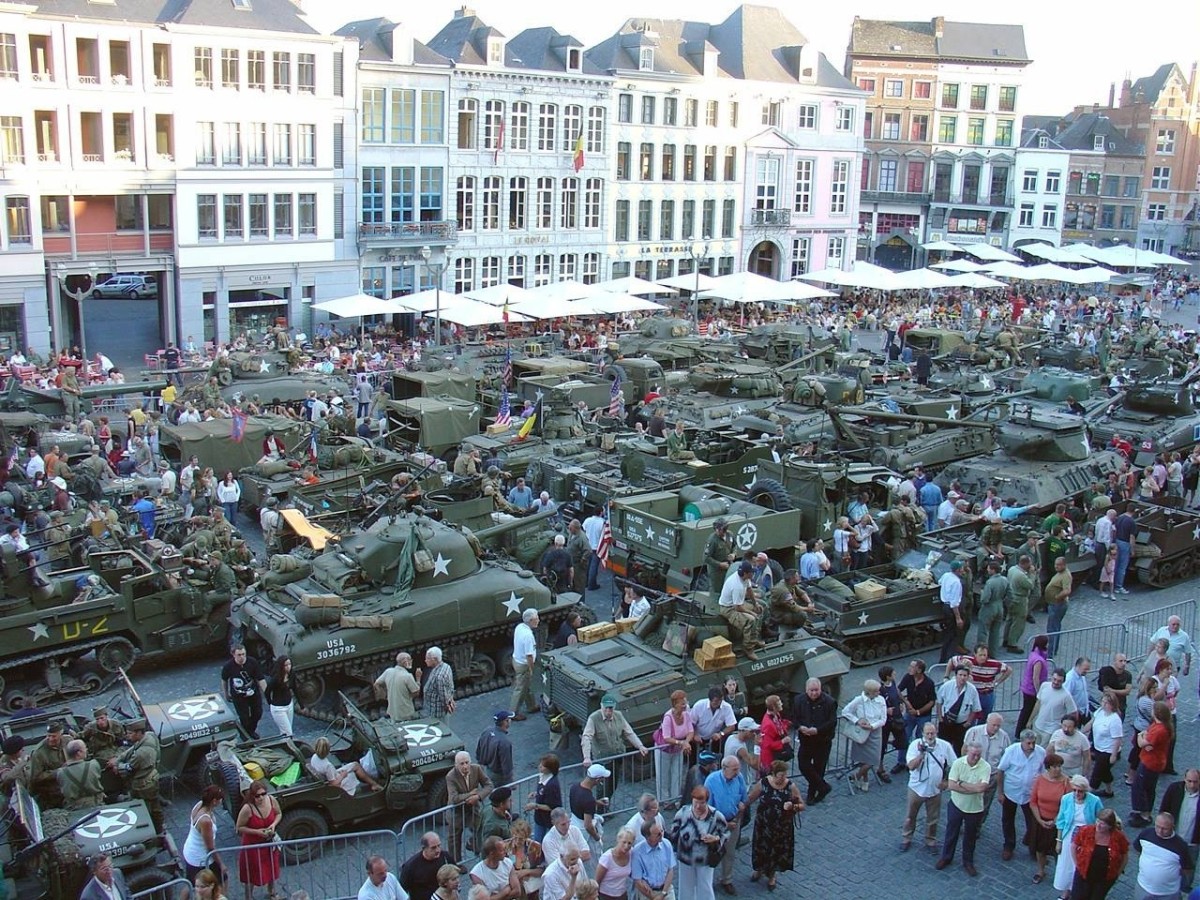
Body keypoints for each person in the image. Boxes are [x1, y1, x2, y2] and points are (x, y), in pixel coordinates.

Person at [935, 741, 991, 878]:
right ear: (967, 752)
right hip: (957, 805)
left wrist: (961, 784)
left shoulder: (986, 766)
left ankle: (968, 862)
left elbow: (981, 788)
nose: (976, 758)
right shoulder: (958, 763)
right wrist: (972, 788)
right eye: (973, 755)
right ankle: (946, 857)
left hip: (975, 809)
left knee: (970, 836)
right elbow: (951, 785)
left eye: (978, 755)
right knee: (951, 832)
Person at [745, 760, 803, 891]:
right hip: (763, 825)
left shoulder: (790, 786)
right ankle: (759, 870)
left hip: (781, 827)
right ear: (774, 774)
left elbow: (801, 805)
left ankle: (772, 875)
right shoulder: (764, 783)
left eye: (784, 775)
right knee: (761, 847)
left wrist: (793, 806)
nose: (782, 779)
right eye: (779, 776)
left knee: (776, 850)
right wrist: (741, 808)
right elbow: (750, 798)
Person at [900, 721, 953, 854]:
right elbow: (911, 766)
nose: (930, 736)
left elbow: (954, 764)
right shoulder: (915, 745)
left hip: (935, 790)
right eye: (927, 733)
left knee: (933, 818)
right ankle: (906, 838)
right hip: (916, 788)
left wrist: (947, 781)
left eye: (932, 733)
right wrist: (921, 754)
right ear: (923, 734)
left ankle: (931, 840)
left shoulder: (944, 746)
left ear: (936, 733)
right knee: (910, 816)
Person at [668, 785, 728, 900]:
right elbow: (674, 832)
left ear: (707, 801)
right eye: (695, 802)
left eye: (702, 803)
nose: (698, 806)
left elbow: (725, 833)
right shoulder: (683, 812)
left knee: (705, 887)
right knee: (685, 888)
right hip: (685, 858)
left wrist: (715, 839)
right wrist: (674, 849)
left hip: (705, 860)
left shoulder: (716, 816)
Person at [997, 729, 1047, 863]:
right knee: (1008, 820)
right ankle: (1008, 846)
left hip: (1030, 794)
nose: (1031, 746)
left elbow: (1043, 773)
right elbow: (1001, 771)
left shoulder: (1041, 752)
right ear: (1022, 742)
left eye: (1033, 743)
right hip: (1011, 792)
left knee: (1033, 823)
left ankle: (1033, 848)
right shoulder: (1011, 751)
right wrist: (1000, 792)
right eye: (1029, 743)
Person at [1054, 775, 1104, 898]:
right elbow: (1060, 821)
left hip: (1087, 837)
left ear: (1085, 791)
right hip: (1069, 835)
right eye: (1074, 790)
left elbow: (1101, 817)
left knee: (1081, 864)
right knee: (1066, 864)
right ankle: (1065, 892)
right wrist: (1059, 841)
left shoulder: (1094, 801)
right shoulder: (1066, 799)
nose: (1077, 793)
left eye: (1080, 791)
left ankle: (1078, 891)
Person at [703, 756, 747, 895]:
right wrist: (725, 824)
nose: (737, 771)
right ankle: (706, 881)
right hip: (716, 824)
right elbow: (707, 808)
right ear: (724, 768)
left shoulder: (739, 778)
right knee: (711, 853)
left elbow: (743, 800)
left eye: (738, 768)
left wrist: (740, 812)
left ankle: (726, 880)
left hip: (734, 821)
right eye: (734, 769)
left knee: (730, 852)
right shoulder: (711, 781)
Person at [1070, 806, 1130, 900]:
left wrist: (1117, 873)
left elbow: (1124, 855)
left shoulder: (1119, 837)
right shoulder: (1086, 830)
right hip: (1083, 873)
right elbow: (1074, 845)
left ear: (1110, 826)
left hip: (1104, 878)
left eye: (1102, 824)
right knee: (1077, 897)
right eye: (1097, 821)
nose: (1098, 825)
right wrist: (1077, 864)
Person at [1130, 701, 1174, 829]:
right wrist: (1144, 738)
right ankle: (1145, 812)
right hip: (1152, 760)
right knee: (1148, 787)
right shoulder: (1160, 726)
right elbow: (1147, 742)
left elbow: (1142, 743)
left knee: (1141, 787)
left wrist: (1140, 736)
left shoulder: (1159, 730)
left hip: (1151, 762)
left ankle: (1144, 814)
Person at [793, 677, 836, 804]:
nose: (813, 693)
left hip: (823, 741)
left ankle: (812, 794)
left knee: (819, 768)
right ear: (806, 690)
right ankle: (823, 787)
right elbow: (794, 717)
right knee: (803, 764)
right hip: (806, 740)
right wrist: (800, 727)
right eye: (811, 690)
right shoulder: (798, 700)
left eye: (816, 690)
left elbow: (832, 722)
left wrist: (817, 730)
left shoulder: (829, 702)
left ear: (820, 689)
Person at [236, 779, 282, 900]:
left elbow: (278, 814)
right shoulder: (247, 808)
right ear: (252, 796)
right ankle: (249, 897)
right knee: (251, 873)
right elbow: (239, 827)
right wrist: (257, 832)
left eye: (263, 794)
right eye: (257, 795)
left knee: (272, 868)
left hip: (268, 844)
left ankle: (272, 892)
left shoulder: (271, 800)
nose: (261, 798)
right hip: (252, 846)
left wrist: (273, 825)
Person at [1132, 812, 1194, 900]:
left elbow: (1187, 869)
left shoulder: (1180, 846)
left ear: (1173, 827)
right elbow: (1137, 849)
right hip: (1143, 887)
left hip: (1167, 893)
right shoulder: (1146, 834)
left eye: (1165, 829)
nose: (1160, 831)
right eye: (1157, 826)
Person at [445, 751, 493, 862]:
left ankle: (476, 847)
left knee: (479, 828)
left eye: (467, 763)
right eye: (461, 764)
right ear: (456, 765)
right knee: (454, 838)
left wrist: (478, 796)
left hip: (473, 808)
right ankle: (456, 862)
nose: (465, 766)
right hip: (456, 812)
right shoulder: (451, 776)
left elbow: (489, 785)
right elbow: (454, 799)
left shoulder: (476, 769)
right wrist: (471, 794)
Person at [842, 679, 888, 792]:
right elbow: (845, 711)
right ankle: (865, 780)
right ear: (870, 692)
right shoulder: (859, 700)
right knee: (864, 759)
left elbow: (883, 719)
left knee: (873, 760)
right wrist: (857, 721)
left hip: (875, 733)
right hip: (862, 734)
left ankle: (856, 776)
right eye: (876, 691)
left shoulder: (881, 700)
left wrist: (872, 726)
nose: (879, 693)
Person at [963, 712, 1011, 820]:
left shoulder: (1004, 737)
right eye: (993, 725)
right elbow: (964, 749)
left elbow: (1006, 757)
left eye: (998, 726)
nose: (996, 728)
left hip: (991, 776)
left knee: (985, 803)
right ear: (987, 722)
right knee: (969, 799)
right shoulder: (974, 732)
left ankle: (978, 825)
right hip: (973, 773)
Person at [583, 694, 648, 770]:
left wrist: (640, 746)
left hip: (618, 755)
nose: (608, 710)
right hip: (602, 759)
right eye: (606, 707)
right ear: (601, 706)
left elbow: (629, 733)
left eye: (610, 708)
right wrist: (587, 757)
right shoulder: (593, 718)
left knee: (614, 777)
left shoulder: (619, 715)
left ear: (614, 707)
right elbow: (586, 737)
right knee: (604, 779)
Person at [717, 561, 763, 659]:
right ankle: (748, 648)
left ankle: (754, 639)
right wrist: (751, 612)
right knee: (750, 620)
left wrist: (756, 604)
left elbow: (749, 590)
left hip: (738, 604)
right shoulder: (736, 585)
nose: (753, 574)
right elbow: (738, 608)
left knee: (759, 610)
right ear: (746, 573)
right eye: (752, 572)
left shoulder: (745, 578)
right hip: (729, 608)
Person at [308, 736, 383, 795]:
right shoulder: (327, 766)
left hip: (331, 775)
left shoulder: (314, 756)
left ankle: (373, 784)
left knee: (355, 765)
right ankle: (374, 784)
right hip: (337, 781)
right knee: (354, 772)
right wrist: (343, 775)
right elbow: (333, 784)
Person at [656, 690, 693, 805]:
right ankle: (665, 800)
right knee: (663, 775)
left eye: (685, 703)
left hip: (677, 749)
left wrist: (686, 742)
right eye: (682, 703)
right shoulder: (668, 717)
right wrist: (682, 743)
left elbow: (691, 731)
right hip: (664, 750)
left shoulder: (686, 714)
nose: (685, 706)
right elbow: (666, 738)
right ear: (675, 704)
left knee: (677, 773)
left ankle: (676, 799)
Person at [222, 645, 267, 740]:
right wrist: (226, 694)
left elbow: (260, 678)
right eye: (239, 655)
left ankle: (250, 731)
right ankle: (246, 736)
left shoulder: (252, 662)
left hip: (253, 693)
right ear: (233, 655)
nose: (242, 657)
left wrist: (267, 693)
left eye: (243, 654)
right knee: (244, 717)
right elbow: (224, 680)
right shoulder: (228, 666)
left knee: (258, 713)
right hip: (238, 696)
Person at [1085, 691, 1125, 797]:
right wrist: (1081, 732)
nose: (1103, 704)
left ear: (1112, 705)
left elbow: (1117, 739)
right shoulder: (1100, 711)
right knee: (1105, 772)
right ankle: (1109, 791)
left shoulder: (1114, 720)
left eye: (1106, 703)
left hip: (1107, 751)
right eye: (1102, 701)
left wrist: (1113, 755)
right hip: (1098, 747)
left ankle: (1087, 793)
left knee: (1097, 774)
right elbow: (1092, 722)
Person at [936, 665, 982, 754]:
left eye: (965, 675)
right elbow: (939, 702)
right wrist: (940, 718)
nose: (962, 677)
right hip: (946, 722)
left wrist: (968, 722)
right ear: (956, 675)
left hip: (961, 725)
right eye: (960, 675)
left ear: (968, 677)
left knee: (959, 747)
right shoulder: (947, 686)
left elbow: (975, 708)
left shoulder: (972, 690)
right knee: (944, 747)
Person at [184, 785, 225, 882]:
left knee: (191, 883)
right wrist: (221, 864)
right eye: (220, 799)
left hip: (191, 851)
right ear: (214, 801)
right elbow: (210, 847)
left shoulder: (199, 804)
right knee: (222, 878)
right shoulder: (205, 821)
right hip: (200, 859)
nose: (222, 801)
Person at [399, 833, 454, 900]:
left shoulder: (446, 857)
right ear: (424, 848)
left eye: (439, 846)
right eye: (433, 848)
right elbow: (401, 891)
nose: (438, 850)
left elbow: (455, 875)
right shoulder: (410, 866)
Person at [631, 820, 676, 900]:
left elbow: (670, 870)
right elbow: (637, 881)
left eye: (661, 831)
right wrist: (653, 897)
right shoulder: (637, 851)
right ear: (648, 837)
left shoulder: (667, 844)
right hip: (647, 893)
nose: (661, 835)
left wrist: (663, 894)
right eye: (657, 834)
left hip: (666, 890)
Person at [1032, 668, 1078, 745]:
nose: (1056, 682)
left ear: (1063, 682)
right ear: (1051, 677)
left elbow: (1074, 713)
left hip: (1050, 731)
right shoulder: (1044, 686)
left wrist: (1069, 728)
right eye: (1054, 679)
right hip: (1037, 725)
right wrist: (1030, 720)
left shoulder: (1066, 696)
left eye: (1059, 681)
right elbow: (1038, 704)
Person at [1017, 635, 1052, 736]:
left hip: (1027, 688)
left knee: (1026, 710)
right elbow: (1035, 678)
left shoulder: (1033, 654)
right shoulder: (1039, 661)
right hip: (1031, 690)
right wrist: (1038, 692)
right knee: (1027, 712)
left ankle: (1020, 731)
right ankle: (1020, 732)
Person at [56, 739, 103, 810]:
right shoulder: (93, 764)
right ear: (79, 753)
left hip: (74, 808)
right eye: (84, 748)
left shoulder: (61, 772)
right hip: (96, 804)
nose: (86, 750)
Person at [511, 609, 540, 720]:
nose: (538, 620)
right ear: (531, 620)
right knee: (520, 688)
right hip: (524, 664)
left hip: (516, 659)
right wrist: (533, 669)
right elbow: (529, 656)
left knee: (527, 685)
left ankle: (531, 705)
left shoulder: (520, 627)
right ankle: (513, 713)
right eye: (537, 618)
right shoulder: (528, 636)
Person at [898, 659, 937, 743]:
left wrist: (918, 712)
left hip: (924, 716)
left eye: (912, 667)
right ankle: (903, 756)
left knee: (921, 739)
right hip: (909, 713)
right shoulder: (908, 677)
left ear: (919, 670)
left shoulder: (929, 683)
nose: (909, 668)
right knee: (904, 737)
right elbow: (898, 690)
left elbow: (931, 702)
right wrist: (906, 702)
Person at [690, 687, 737, 755]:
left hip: (714, 738)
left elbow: (731, 726)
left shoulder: (727, 707)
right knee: (694, 762)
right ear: (710, 700)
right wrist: (695, 734)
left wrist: (721, 734)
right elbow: (691, 723)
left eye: (720, 700)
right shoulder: (699, 705)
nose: (719, 703)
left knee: (715, 759)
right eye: (716, 701)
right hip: (697, 738)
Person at [375, 652, 420, 722]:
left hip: (392, 710)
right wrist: (418, 679)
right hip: (405, 712)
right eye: (410, 660)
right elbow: (416, 692)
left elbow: (376, 684)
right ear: (405, 661)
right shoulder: (407, 676)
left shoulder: (388, 671)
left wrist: (383, 694)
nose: (411, 661)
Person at [527, 753, 562, 843]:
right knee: (538, 840)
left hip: (548, 820)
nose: (539, 767)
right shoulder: (543, 777)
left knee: (546, 842)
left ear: (549, 769)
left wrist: (535, 805)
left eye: (542, 766)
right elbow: (543, 792)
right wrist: (536, 794)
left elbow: (552, 806)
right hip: (540, 818)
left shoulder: (552, 785)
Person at [938, 561, 967, 663]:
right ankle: (948, 659)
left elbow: (940, 582)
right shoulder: (956, 582)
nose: (963, 570)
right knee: (953, 636)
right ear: (958, 570)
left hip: (945, 607)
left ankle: (943, 658)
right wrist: (958, 618)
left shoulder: (946, 575)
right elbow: (954, 603)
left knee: (948, 634)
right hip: (952, 609)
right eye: (962, 568)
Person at [1044, 557, 1073, 656]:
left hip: (1057, 605)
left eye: (1058, 565)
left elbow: (1067, 590)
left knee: (1052, 628)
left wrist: (1057, 597)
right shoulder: (1061, 573)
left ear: (1064, 565)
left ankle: (1050, 652)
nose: (1056, 566)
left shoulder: (1066, 575)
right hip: (1054, 604)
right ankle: (1053, 649)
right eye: (1055, 564)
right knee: (1055, 626)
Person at [596, 827, 634, 900]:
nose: (626, 846)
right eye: (624, 842)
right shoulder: (607, 858)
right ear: (618, 839)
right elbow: (597, 881)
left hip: (622, 894)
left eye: (629, 843)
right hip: (606, 895)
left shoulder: (631, 853)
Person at [264, 655, 294, 738]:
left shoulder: (291, 675)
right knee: (288, 733)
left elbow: (294, 688)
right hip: (278, 708)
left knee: (285, 731)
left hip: (289, 705)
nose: (288, 667)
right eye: (286, 665)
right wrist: (270, 702)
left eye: (289, 664)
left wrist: (301, 704)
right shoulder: (275, 679)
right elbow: (267, 691)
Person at [422, 647, 456, 718]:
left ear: (434, 659)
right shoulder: (446, 666)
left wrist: (447, 704)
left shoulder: (439, 677)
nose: (425, 660)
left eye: (428, 658)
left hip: (436, 711)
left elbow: (443, 696)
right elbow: (451, 686)